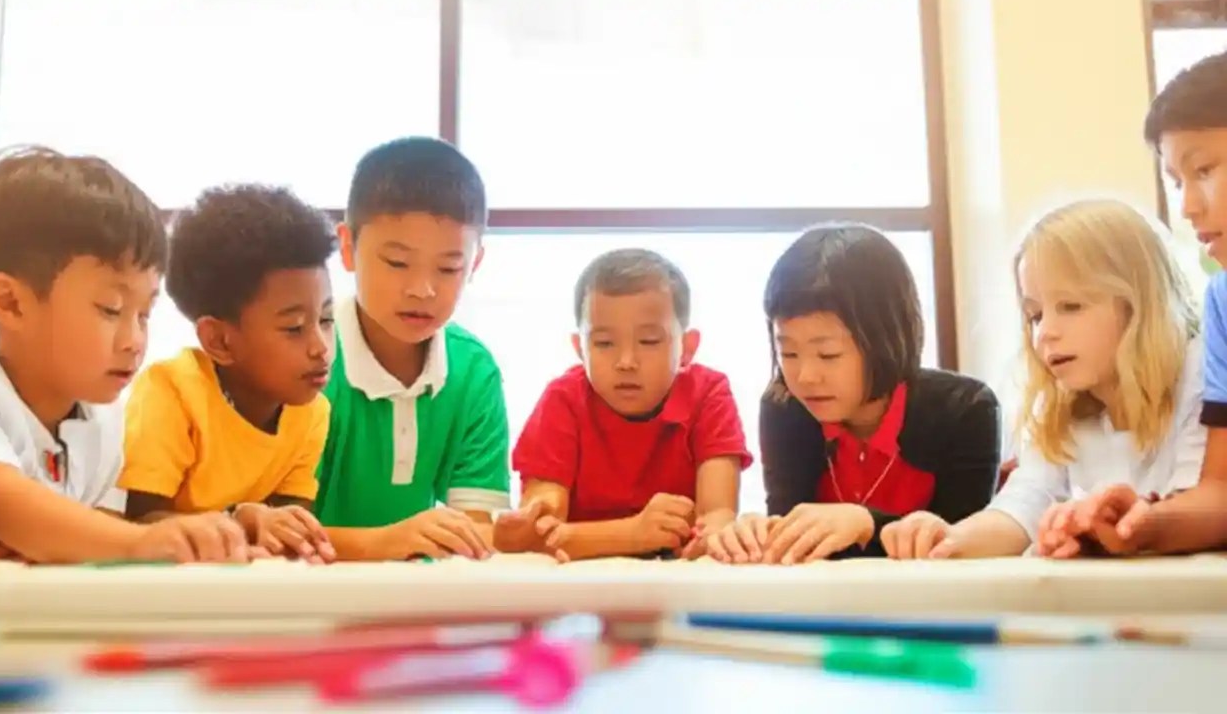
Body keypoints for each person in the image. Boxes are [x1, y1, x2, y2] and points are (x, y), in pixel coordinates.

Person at [0, 147, 249, 564]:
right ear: (12, 303)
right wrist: (138, 543)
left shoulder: (103, 421)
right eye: (110, 309)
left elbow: (96, 532)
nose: (135, 340)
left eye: (144, 314)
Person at [883, 199, 1204, 559]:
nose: (1045, 333)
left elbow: (1198, 507)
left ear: (1141, 302)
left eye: (1071, 306)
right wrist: (949, 538)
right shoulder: (1058, 407)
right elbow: (1023, 505)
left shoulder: (1201, 373)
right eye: (1034, 315)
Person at [707, 223, 999, 564]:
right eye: (787, 353)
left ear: (886, 340)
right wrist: (760, 534)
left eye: (828, 354)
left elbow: (963, 547)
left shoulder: (966, 409)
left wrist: (865, 524)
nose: (805, 376)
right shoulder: (785, 406)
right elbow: (793, 544)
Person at [1050, 51, 1227, 556]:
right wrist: (1142, 524)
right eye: (1177, 182)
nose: (1189, 206)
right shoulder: (1222, 302)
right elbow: (1221, 492)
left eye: (1205, 170)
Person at [118, 185, 338, 563]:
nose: (321, 347)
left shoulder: (311, 411)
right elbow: (140, 520)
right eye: (294, 327)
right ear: (219, 340)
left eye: (327, 319)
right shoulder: (172, 392)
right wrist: (242, 519)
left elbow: (293, 527)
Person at [313, 137, 507, 560]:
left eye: (449, 267)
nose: (423, 290)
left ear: (474, 264)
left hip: (413, 598)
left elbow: (475, 531)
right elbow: (269, 533)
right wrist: (383, 543)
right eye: (397, 263)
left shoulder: (474, 371)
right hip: (301, 600)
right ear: (347, 248)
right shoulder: (310, 362)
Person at [495, 249, 750, 561]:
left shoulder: (709, 393)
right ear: (580, 348)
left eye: (649, 342)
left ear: (688, 347)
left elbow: (718, 518)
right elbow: (540, 529)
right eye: (603, 343)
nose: (626, 362)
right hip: (580, 590)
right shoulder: (563, 399)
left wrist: (579, 538)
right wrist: (632, 534)